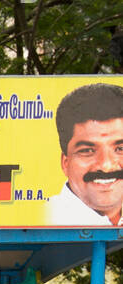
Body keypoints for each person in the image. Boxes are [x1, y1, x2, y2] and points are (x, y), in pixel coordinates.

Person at [46, 83, 123, 227]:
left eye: (120, 148)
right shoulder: (48, 219)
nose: (106, 166)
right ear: (65, 163)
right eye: (88, 151)